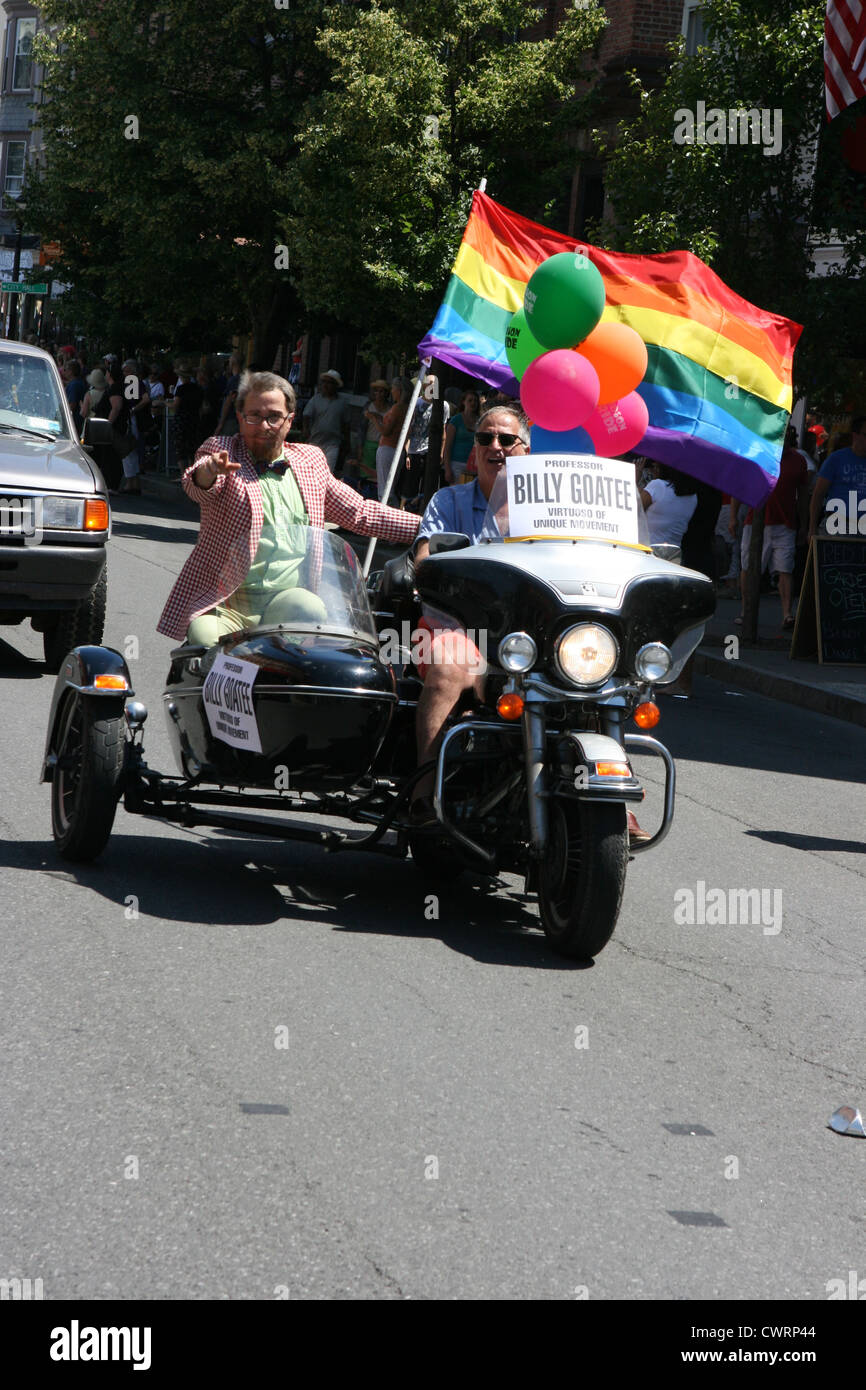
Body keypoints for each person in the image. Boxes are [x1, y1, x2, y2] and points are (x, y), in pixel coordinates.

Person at [157, 370, 419, 644]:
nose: (263, 425)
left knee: (309, 610)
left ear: (289, 420)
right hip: (226, 605)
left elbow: (361, 512)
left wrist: (427, 528)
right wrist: (209, 471)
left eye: (273, 416)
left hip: (286, 600)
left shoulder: (311, 461)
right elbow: (196, 485)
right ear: (239, 417)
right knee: (203, 640)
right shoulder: (222, 450)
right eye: (253, 416)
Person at [738, 428, 809, 629]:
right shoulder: (759, 453)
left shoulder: (798, 461)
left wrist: (803, 524)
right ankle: (746, 611)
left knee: (785, 569)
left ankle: (787, 614)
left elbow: (803, 495)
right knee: (749, 568)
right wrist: (734, 517)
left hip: (785, 523)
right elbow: (741, 486)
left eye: (787, 436)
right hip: (756, 520)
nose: (784, 438)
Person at [809, 414, 866, 539]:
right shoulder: (836, 459)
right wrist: (812, 527)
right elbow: (818, 494)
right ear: (855, 435)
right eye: (865, 434)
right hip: (837, 525)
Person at [404, 374, 450, 500]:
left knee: (428, 485)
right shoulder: (416, 403)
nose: (431, 388)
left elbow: (443, 431)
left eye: (434, 386)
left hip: (431, 450)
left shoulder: (443, 405)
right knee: (411, 485)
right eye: (428, 385)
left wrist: (441, 452)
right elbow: (408, 430)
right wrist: (407, 453)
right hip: (414, 449)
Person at [638, 463, 698, 548]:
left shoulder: (658, 486)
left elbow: (634, 509)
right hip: (673, 554)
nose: (654, 466)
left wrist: (633, 481)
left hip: (647, 548)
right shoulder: (693, 497)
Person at [302, 369, 350, 473]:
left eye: (329, 383)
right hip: (315, 442)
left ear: (336, 385)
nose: (325, 385)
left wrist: (347, 442)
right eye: (324, 382)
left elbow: (346, 424)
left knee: (328, 471)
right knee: (312, 470)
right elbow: (306, 415)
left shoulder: (342, 403)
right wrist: (306, 430)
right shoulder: (316, 399)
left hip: (333, 443)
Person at [376, 376, 412, 501]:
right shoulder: (409, 408)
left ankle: (387, 516)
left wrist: (373, 419)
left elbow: (386, 431)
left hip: (388, 449)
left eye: (393, 388)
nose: (391, 391)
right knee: (389, 487)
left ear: (400, 391)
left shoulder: (397, 408)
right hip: (398, 450)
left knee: (385, 491)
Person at [442, 387, 480, 485]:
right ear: (463, 402)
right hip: (456, 465)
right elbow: (448, 447)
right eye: (470, 400)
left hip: (475, 466)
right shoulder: (456, 420)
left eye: (475, 400)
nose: (473, 403)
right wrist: (447, 469)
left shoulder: (481, 421)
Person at [361, 380, 389, 492]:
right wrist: (360, 446)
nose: (379, 394)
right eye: (377, 391)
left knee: (380, 475)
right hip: (369, 442)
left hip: (383, 444)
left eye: (382, 391)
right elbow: (361, 428)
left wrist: (376, 417)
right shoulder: (368, 406)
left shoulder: (390, 408)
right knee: (366, 473)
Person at [63, 360, 87, 438]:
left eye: (65, 369)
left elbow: (72, 405)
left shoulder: (74, 385)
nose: (64, 372)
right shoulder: (79, 382)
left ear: (71, 371)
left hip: (74, 422)